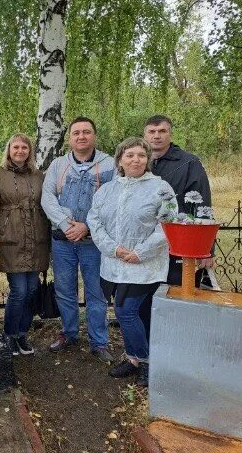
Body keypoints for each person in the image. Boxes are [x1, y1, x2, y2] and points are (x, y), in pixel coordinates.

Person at [88, 137, 176, 386]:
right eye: (129, 155)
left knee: (125, 311)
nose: (135, 159)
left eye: (141, 155)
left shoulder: (162, 189)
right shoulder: (107, 190)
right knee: (140, 314)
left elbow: (167, 225)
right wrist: (113, 249)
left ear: (148, 159)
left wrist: (140, 252)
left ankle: (145, 361)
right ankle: (133, 359)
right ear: (120, 160)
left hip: (145, 266)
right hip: (114, 263)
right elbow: (94, 221)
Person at [41, 117, 116, 362]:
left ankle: (99, 341)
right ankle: (69, 333)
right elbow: (47, 197)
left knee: (96, 292)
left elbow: (114, 201)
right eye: (76, 133)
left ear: (94, 135)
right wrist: (65, 225)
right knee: (64, 290)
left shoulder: (110, 165)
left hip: (94, 242)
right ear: (70, 138)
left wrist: (87, 226)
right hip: (63, 242)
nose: (81, 136)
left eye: (86, 132)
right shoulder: (58, 165)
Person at [142, 115, 213, 337]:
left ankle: (178, 349)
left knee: (178, 299)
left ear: (170, 134)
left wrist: (207, 249)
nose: (156, 136)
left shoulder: (189, 163)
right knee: (146, 301)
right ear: (145, 135)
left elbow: (203, 206)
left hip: (179, 245)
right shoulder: (136, 161)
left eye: (161, 131)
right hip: (145, 247)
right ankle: (147, 354)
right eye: (151, 132)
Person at [0, 134, 50, 355]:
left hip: (36, 238)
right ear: (9, 150)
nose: (20, 151)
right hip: (12, 238)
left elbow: (48, 204)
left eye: (24, 147)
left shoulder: (38, 176)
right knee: (19, 290)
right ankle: (10, 334)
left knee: (32, 290)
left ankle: (22, 334)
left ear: (30, 151)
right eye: (16, 147)